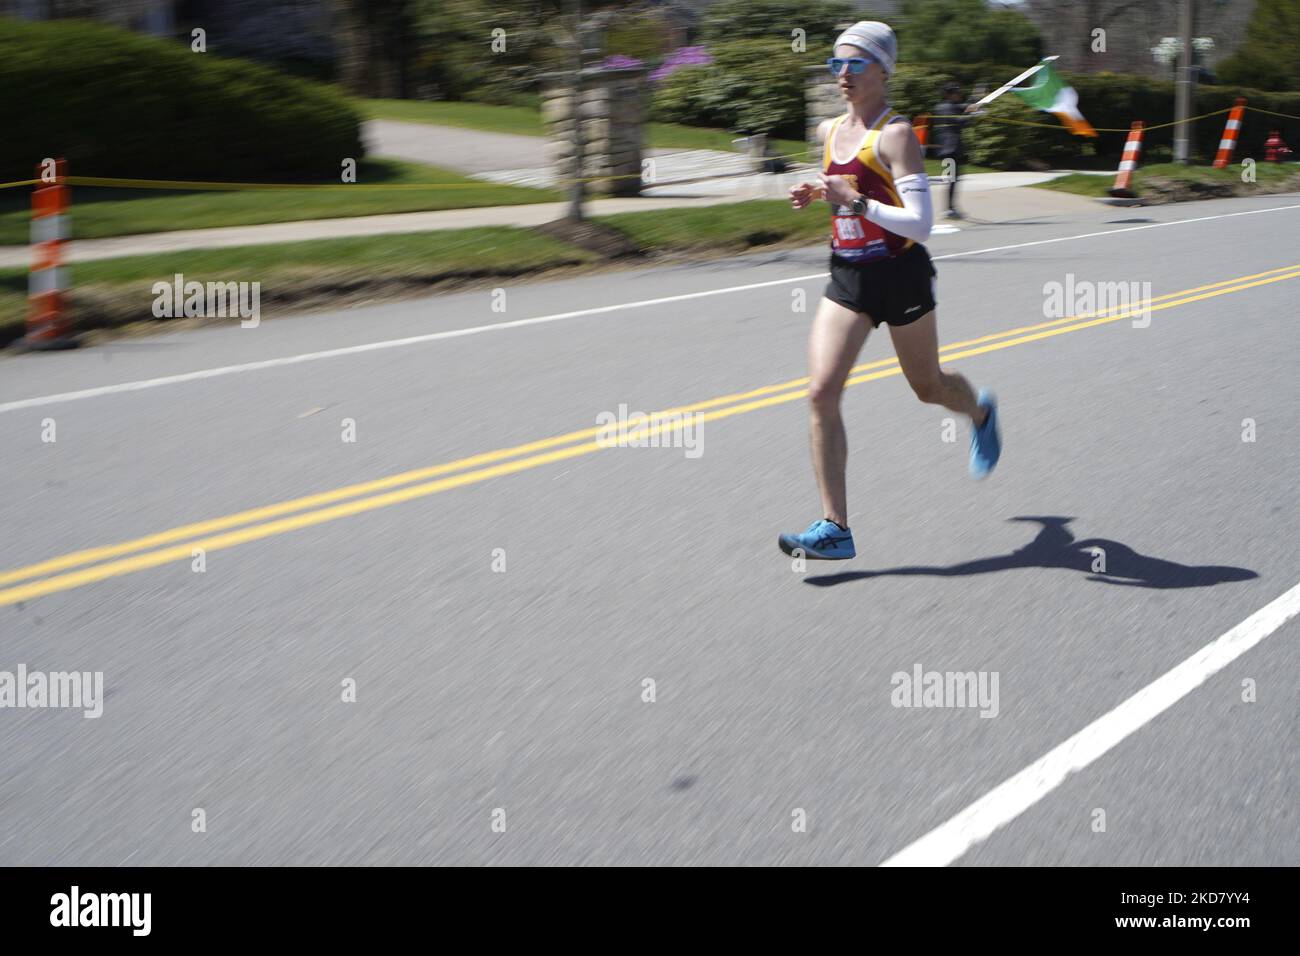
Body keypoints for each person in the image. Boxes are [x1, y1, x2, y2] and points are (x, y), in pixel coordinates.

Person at [777, 21, 1001, 562]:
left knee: (927, 387)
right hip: (848, 276)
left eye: (855, 63)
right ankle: (836, 528)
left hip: (900, 275)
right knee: (820, 393)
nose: (843, 74)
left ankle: (980, 414)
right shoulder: (830, 130)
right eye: (836, 64)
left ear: (883, 68)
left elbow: (920, 224)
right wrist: (821, 192)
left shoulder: (897, 135)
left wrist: (853, 202)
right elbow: (849, 189)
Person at [932, 81, 974, 219]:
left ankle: (950, 207)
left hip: (952, 149)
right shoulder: (944, 108)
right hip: (949, 149)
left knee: (954, 179)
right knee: (951, 179)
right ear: (949, 94)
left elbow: (962, 108)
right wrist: (971, 114)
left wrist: (972, 105)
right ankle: (948, 209)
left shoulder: (949, 106)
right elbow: (959, 122)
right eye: (957, 93)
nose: (960, 95)